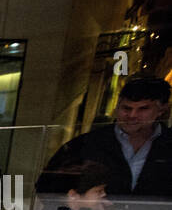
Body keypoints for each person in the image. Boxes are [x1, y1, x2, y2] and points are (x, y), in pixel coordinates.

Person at [37, 74, 172, 199]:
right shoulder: (85, 144)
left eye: (143, 109)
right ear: (117, 106)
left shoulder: (168, 145)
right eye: (126, 108)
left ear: (161, 110)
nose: (132, 115)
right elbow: (46, 188)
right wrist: (78, 200)